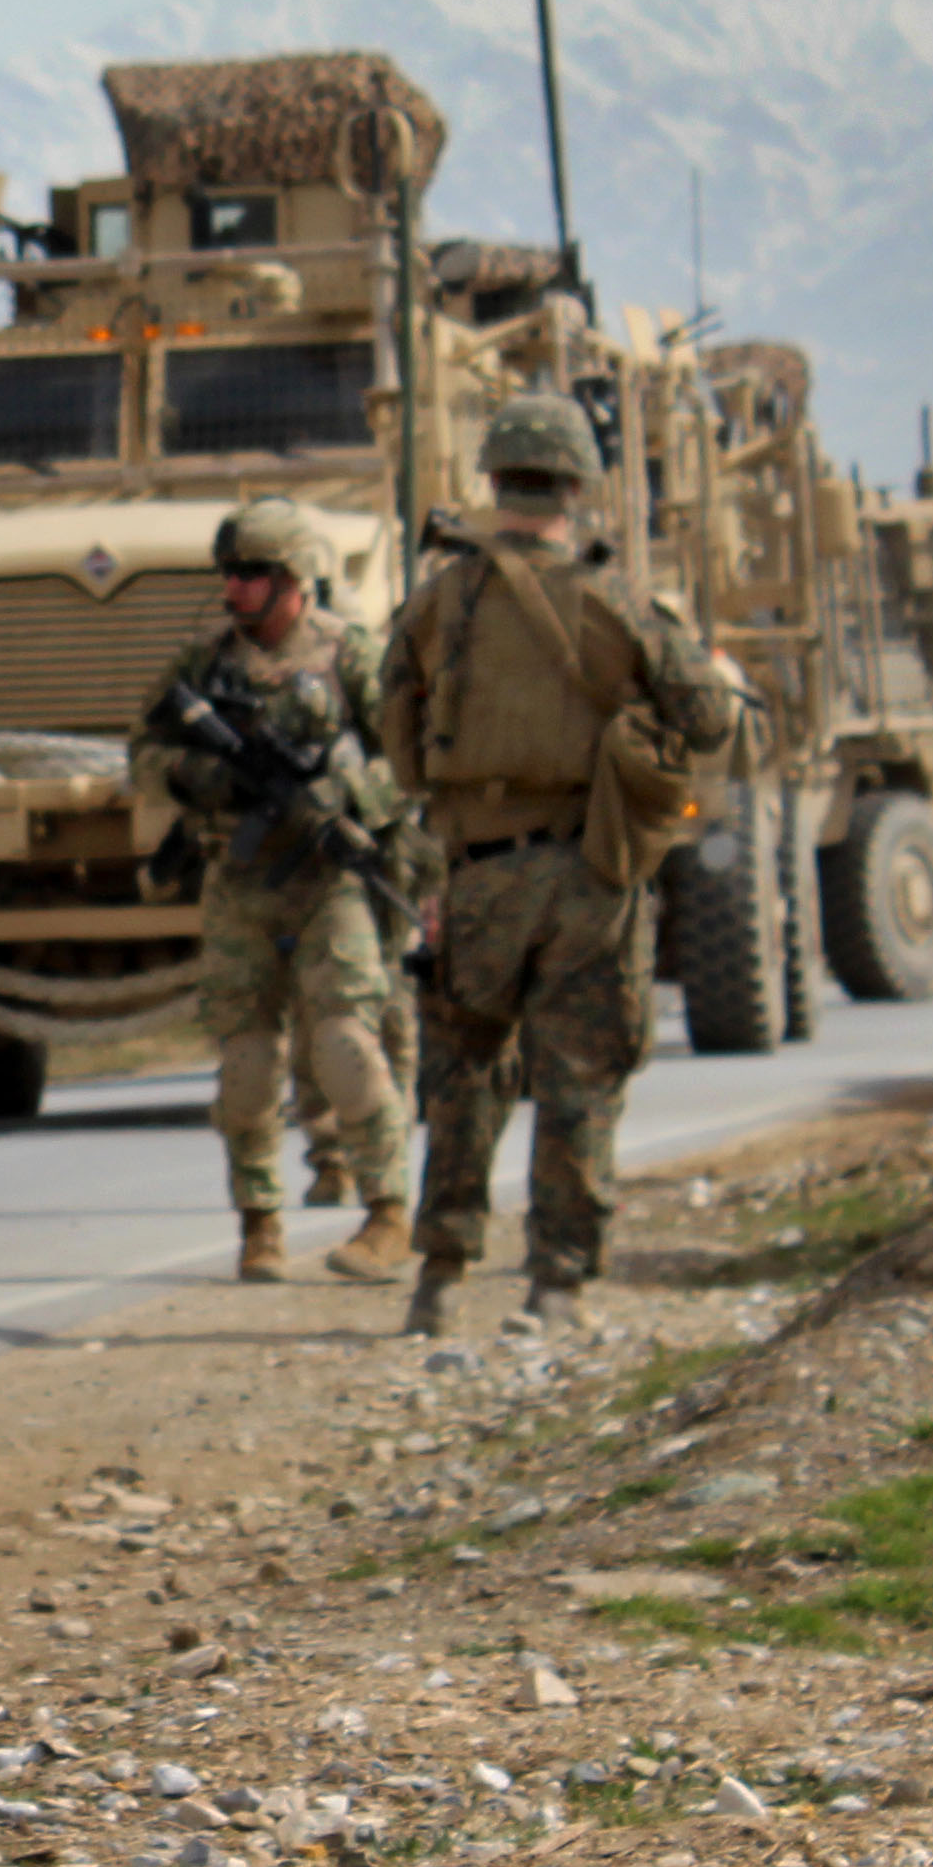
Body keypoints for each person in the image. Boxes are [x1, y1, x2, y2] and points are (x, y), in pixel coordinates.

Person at [374, 392, 738, 1341]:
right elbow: (708, 716)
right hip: (591, 871)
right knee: (578, 1077)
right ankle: (555, 1287)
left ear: (492, 480)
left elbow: (391, 723)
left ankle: (440, 1279)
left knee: (462, 1073)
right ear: (576, 485)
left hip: (474, 870)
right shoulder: (612, 600)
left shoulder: (439, 599)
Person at [135, 499, 417, 1283]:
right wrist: (203, 776)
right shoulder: (201, 668)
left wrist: (349, 798)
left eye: (253, 572)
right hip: (239, 879)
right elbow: (145, 754)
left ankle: (387, 1213)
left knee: (343, 1044)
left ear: (294, 578)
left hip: (329, 879)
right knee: (247, 1063)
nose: (236, 586)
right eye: (230, 572)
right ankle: (260, 1225)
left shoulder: (351, 656)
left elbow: (414, 758)